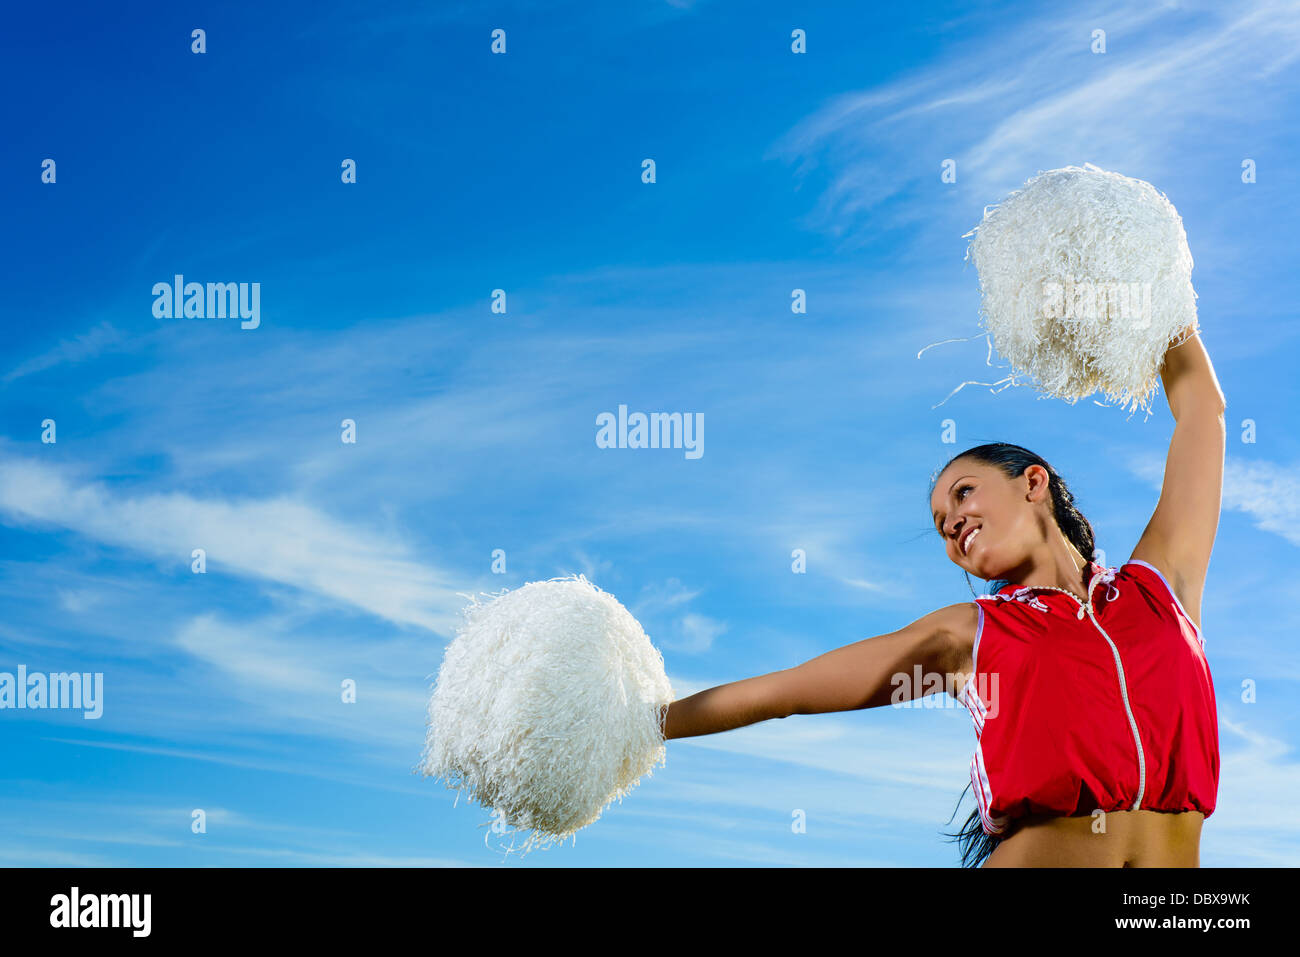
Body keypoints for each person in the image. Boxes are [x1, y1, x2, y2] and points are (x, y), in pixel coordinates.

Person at [658, 326, 1225, 867]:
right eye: (940, 524)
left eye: (963, 494)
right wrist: (647, 724)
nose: (952, 523)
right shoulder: (969, 634)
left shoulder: (1160, 587)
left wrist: (1157, 282)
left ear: (1032, 483)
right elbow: (784, 692)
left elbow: (1202, 409)